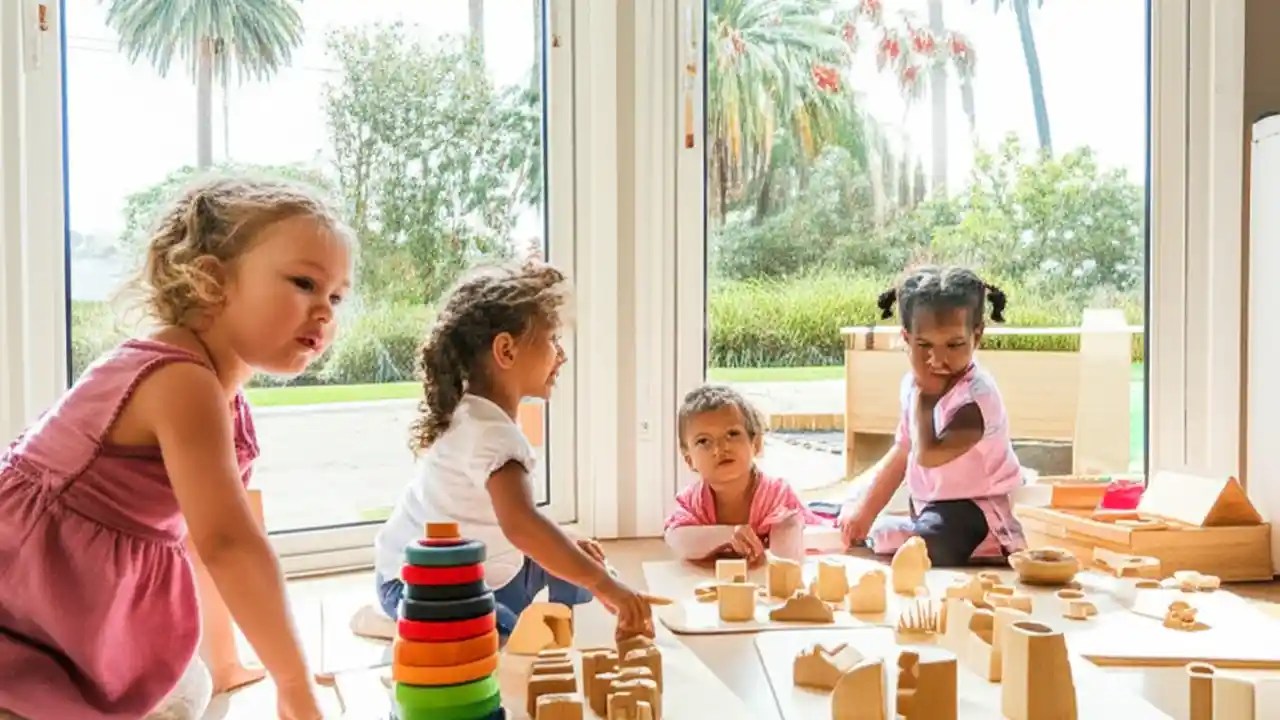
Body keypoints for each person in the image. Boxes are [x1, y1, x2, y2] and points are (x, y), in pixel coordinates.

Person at [0, 175, 352, 720]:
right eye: (304, 283)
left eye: (336, 296)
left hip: (71, 615)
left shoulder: (222, 399)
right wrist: (294, 684)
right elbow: (230, 546)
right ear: (213, 281)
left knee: (190, 686)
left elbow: (199, 545)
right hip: (22, 617)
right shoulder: (179, 380)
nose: (326, 311)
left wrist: (228, 662)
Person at [373, 260, 657, 641]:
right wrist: (608, 587)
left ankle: (571, 625)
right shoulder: (493, 435)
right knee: (503, 635)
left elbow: (509, 520)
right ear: (506, 350)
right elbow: (522, 525)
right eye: (553, 339)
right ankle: (398, 628)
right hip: (422, 589)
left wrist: (575, 555)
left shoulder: (474, 414)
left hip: (470, 569)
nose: (562, 355)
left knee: (579, 568)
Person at [836, 265, 1027, 566]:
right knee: (854, 508)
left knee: (928, 543)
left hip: (978, 510)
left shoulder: (977, 398)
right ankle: (894, 531)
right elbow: (903, 449)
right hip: (930, 504)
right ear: (906, 338)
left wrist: (925, 400)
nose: (937, 359)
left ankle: (903, 536)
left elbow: (928, 454)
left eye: (954, 345)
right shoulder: (912, 385)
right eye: (924, 345)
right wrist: (865, 510)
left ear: (976, 336)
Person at [664, 384, 821, 565]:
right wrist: (729, 534)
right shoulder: (693, 501)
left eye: (732, 434)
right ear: (689, 460)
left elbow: (787, 561)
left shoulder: (776, 495)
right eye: (704, 441)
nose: (720, 448)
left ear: (756, 443)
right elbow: (676, 537)